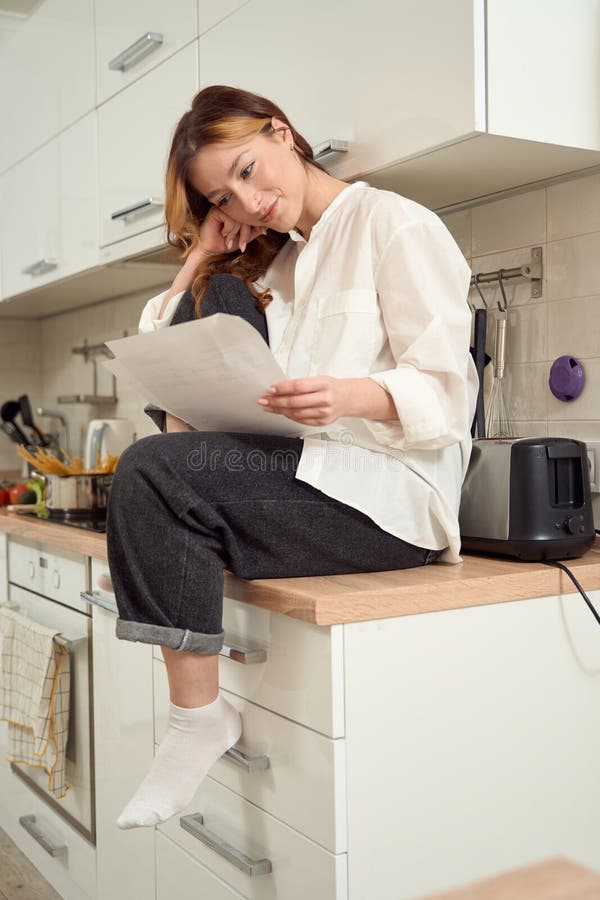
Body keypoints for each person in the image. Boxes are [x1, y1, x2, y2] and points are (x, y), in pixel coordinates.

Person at [107, 84, 478, 829]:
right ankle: (199, 714)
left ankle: (195, 722)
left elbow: (447, 392)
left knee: (151, 469)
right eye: (224, 196)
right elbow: (161, 350)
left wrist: (349, 396)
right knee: (203, 325)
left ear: (283, 132)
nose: (248, 201)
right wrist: (202, 257)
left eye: (248, 169)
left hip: (388, 500)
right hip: (303, 481)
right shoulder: (275, 269)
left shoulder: (394, 224)